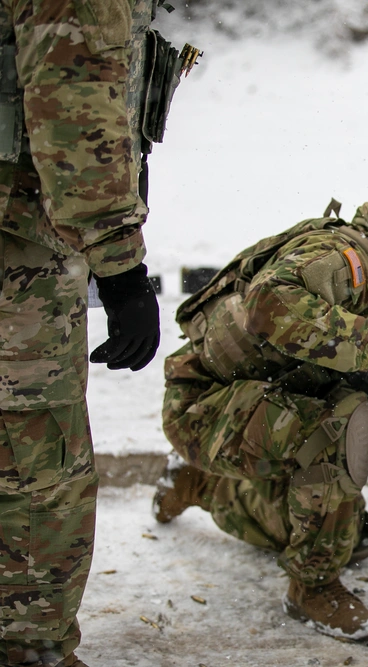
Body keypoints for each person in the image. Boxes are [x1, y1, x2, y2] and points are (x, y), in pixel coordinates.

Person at [155, 155, 368, 642]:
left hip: (265, 405)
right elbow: (267, 305)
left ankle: (203, 486)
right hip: (205, 405)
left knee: (352, 538)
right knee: (342, 428)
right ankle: (312, 589)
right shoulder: (342, 259)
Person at [0, 1, 174, 665]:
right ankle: (28, 647)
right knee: (39, 464)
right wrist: (121, 267)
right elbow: (72, 104)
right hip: (18, 246)